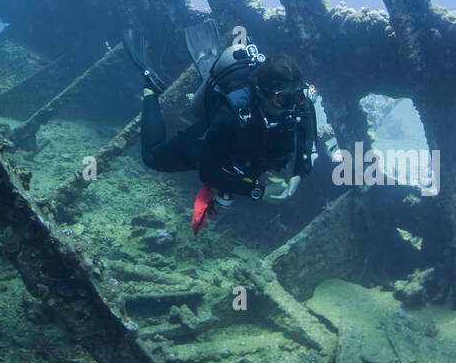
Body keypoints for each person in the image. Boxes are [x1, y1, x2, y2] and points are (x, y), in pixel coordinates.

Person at [123, 21, 317, 233]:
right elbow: (208, 170)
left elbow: (307, 136)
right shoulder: (232, 114)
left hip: (249, 150)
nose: (292, 106)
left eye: (298, 96)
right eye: (282, 99)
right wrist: (258, 192)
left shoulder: (298, 103)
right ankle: (150, 89)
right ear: (261, 92)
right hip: (220, 140)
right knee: (152, 157)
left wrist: (299, 173)